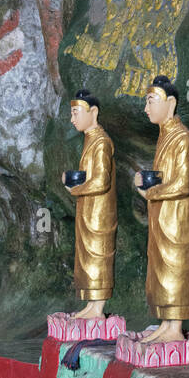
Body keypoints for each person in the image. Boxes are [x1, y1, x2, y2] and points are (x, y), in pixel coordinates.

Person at [134, 76, 189, 344]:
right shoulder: (164, 137)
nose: (146, 109)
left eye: (151, 101)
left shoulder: (183, 138)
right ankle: (166, 322)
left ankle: (175, 327)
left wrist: (152, 192)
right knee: (160, 268)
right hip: (161, 217)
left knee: (176, 268)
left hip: (178, 220)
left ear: (170, 103)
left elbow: (184, 183)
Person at [62, 89, 117, 320]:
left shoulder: (102, 142)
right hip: (88, 210)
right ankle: (91, 304)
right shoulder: (90, 140)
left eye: (76, 113)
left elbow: (102, 180)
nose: (72, 119)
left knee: (98, 255)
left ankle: (98, 307)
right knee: (86, 255)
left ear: (93, 112)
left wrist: (77, 189)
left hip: (99, 213)